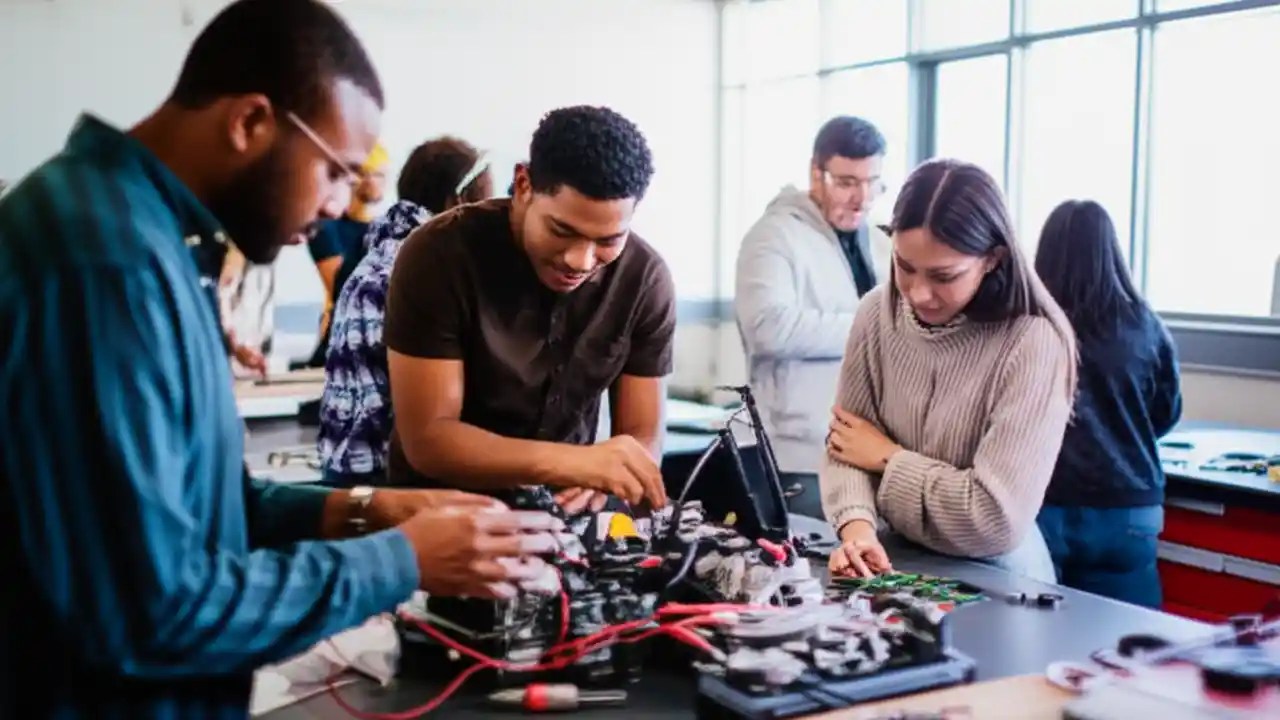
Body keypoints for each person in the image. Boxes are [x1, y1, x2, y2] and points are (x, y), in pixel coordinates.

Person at [0, 2, 560, 717]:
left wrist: (368, 512)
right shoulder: (102, 262)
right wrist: (402, 561)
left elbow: (207, 509)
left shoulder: (150, 240)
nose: (336, 205)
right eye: (336, 173)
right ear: (250, 122)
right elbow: (149, 609)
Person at [383, 105, 675, 516]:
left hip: (563, 520)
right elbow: (429, 439)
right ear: (522, 184)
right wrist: (575, 463)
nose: (581, 259)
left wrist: (617, 473)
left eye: (608, 240)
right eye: (562, 230)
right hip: (441, 516)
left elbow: (643, 435)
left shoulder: (645, 280)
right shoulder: (437, 254)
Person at [820, 159, 1078, 583]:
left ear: (992, 259)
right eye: (904, 266)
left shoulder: (1032, 342)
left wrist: (889, 458)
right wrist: (858, 530)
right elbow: (847, 449)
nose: (919, 294)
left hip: (997, 577)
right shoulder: (875, 313)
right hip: (891, 561)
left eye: (944, 276)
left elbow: (994, 518)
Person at [735, 116, 893, 519]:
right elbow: (769, 328)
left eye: (871, 182)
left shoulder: (877, 242)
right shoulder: (773, 236)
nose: (861, 198)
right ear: (815, 173)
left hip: (867, 451)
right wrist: (870, 329)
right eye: (846, 182)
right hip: (795, 454)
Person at [319, 136, 493, 487]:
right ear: (458, 202)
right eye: (488, 202)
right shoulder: (423, 270)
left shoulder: (376, 254)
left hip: (345, 469)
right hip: (388, 481)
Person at [1033, 200, 1182, 608]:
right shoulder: (1145, 325)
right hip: (1127, 511)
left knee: (1036, 641)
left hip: (1044, 505)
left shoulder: (1029, 326)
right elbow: (1165, 414)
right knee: (1129, 650)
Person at [302, 141, 389, 366]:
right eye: (368, 174)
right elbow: (343, 288)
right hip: (339, 339)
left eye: (381, 174)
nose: (374, 181)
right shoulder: (327, 226)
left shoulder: (386, 229)